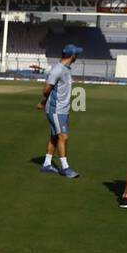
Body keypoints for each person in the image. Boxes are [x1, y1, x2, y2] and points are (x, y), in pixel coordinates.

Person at [38, 44, 80, 178]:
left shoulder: (65, 68)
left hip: (63, 110)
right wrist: (44, 102)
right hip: (56, 110)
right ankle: (65, 168)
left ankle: (47, 164)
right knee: (63, 136)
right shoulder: (58, 70)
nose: (77, 56)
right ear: (72, 55)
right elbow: (46, 89)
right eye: (76, 54)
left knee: (55, 136)